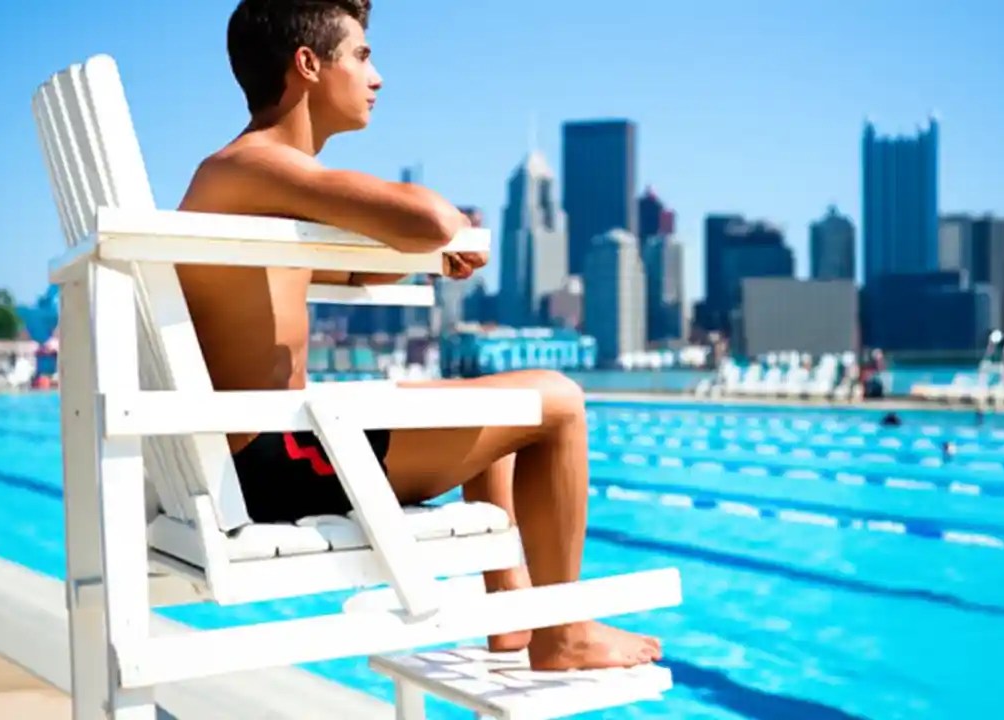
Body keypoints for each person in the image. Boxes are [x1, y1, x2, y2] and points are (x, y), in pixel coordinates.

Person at [175, 0, 661, 671]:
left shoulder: (247, 183)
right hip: (278, 465)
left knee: (482, 398)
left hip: (271, 451)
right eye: (363, 56)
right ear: (309, 65)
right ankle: (563, 633)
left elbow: (334, 258)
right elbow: (430, 217)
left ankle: (512, 614)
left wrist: (428, 255)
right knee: (558, 401)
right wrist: (441, 233)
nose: (377, 78)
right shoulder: (257, 165)